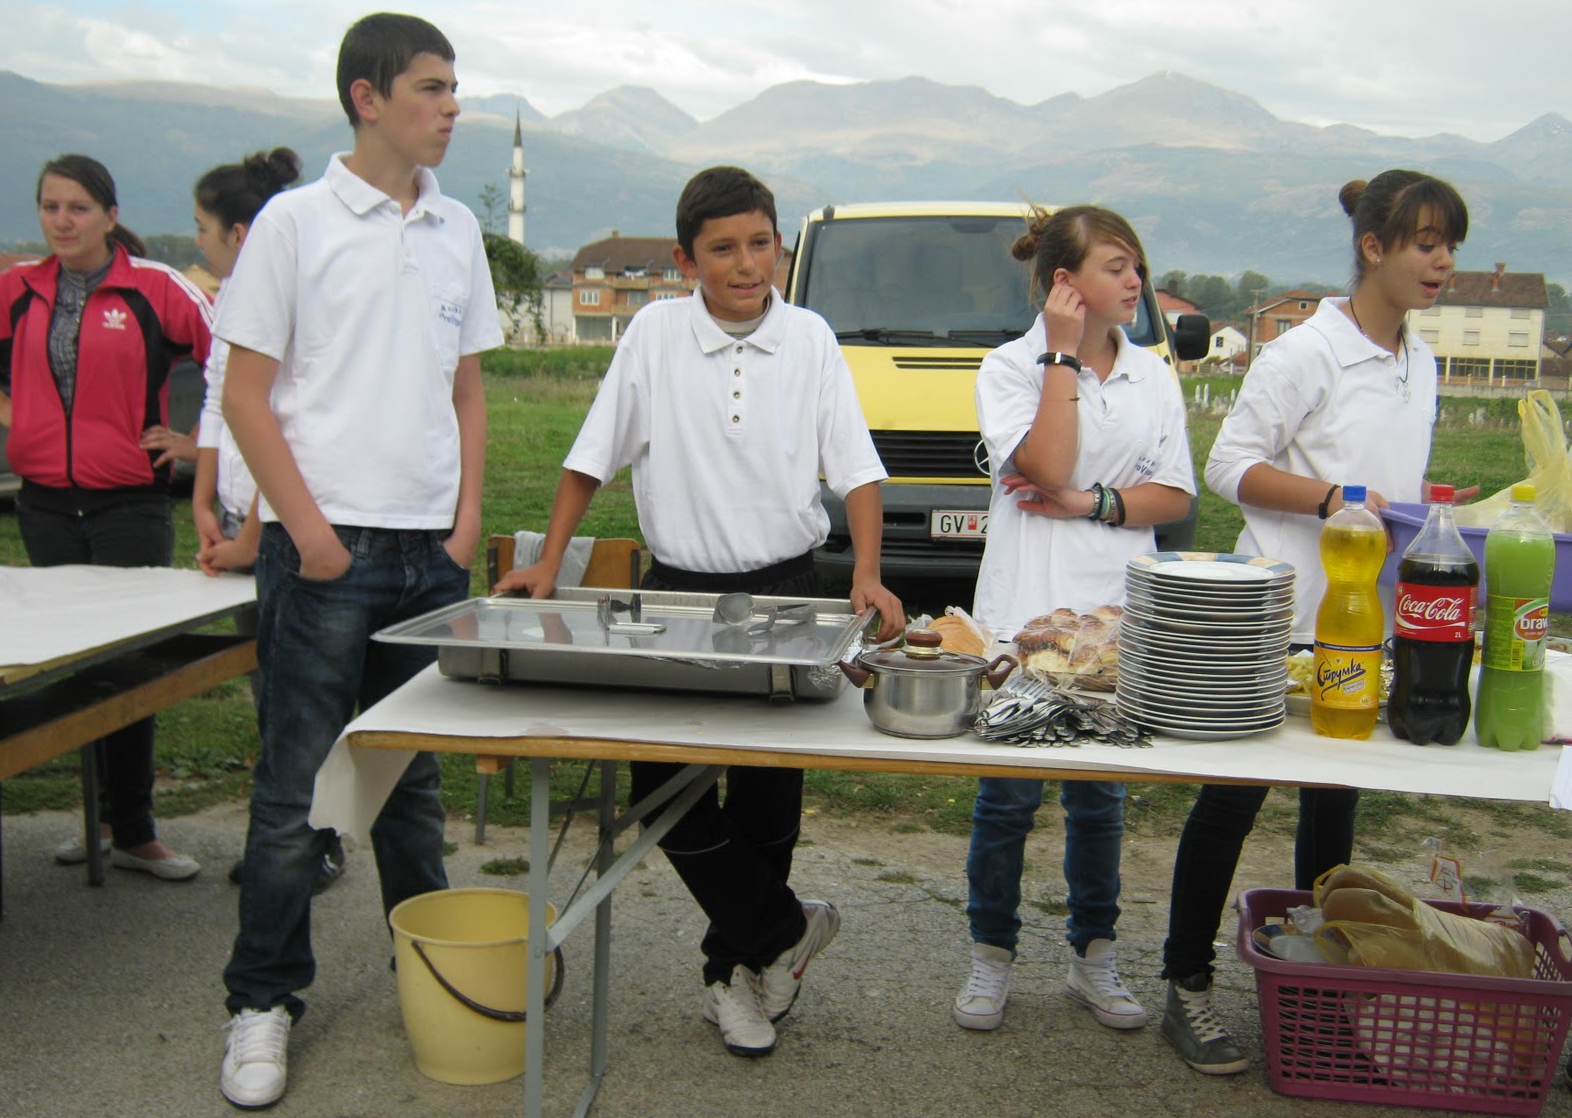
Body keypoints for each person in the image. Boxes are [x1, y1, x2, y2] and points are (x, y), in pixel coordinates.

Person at [499, 165, 907, 1058]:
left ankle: (737, 977)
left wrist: (866, 572)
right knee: (659, 789)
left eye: (760, 243)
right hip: (673, 593)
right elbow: (591, 456)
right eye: (723, 248)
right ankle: (785, 930)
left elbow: (859, 467)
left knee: (768, 799)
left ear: (780, 249)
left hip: (790, 589)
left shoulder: (810, 338)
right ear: (687, 259)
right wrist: (543, 565)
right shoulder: (651, 333)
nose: (745, 262)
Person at [213, 13, 502, 1109]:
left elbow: (467, 387)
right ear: (366, 96)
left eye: (455, 87)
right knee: (296, 792)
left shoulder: (458, 227)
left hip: (432, 555)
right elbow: (245, 393)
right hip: (325, 550)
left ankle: (423, 966)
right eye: (431, 87)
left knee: (411, 785)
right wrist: (313, 534)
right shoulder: (293, 223)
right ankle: (262, 1001)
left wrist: (466, 521)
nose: (452, 105)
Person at [1159, 168, 1470, 1075]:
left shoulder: (1420, 358)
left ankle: (1314, 1002)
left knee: (1333, 815)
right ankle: (1188, 986)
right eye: (1424, 241)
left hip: (1366, 628)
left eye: (1448, 242)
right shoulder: (1305, 354)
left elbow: (1402, 495)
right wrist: (1340, 498)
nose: (1441, 259)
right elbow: (1227, 467)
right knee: (1231, 802)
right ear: (1374, 248)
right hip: (1279, 620)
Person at [951, 206, 1194, 1036]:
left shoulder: (1153, 375)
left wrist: (1089, 502)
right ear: (1065, 284)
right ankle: (992, 956)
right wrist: (1059, 355)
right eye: (1117, 266)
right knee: (1006, 800)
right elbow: (1043, 461)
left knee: (1100, 798)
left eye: (1138, 266)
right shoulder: (1011, 366)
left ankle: (1094, 954)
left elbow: (1175, 496)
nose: (1136, 282)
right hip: (1023, 617)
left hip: (1117, 622)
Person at [0, 153, 213, 881]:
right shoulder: (11, 292)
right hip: (45, 503)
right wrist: (12, 416)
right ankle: (93, 820)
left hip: (129, 505)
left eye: (77, 207)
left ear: (110, 216)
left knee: (128, 666)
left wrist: (197, 444)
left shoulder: (155, 289)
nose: (62, 221)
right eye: (50, 207)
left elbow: (239, 359)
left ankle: (133, 827)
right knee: (72, 664)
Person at [187, 146, 348, 896]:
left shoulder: (276, 302)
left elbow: (275, 426)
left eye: (204, 230)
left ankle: (310, 844)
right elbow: (218, 412)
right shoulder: (227, 308)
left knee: (294, 709)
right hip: (242, 519)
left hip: (278, 526)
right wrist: (202, 495)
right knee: (272, 700)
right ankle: (290, 841)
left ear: (242, 235)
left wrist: (251, 534)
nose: (198, 243)